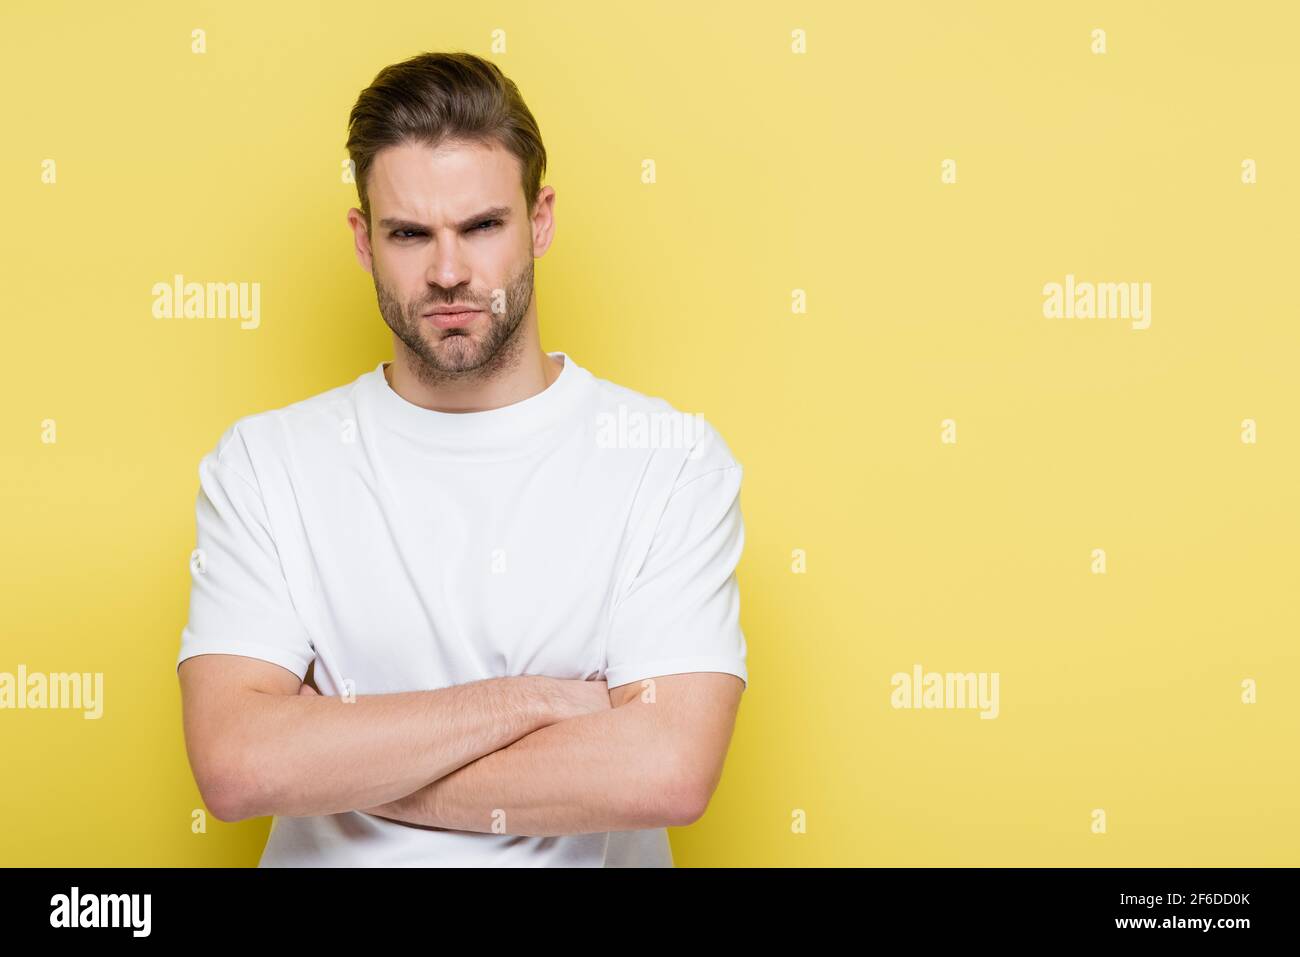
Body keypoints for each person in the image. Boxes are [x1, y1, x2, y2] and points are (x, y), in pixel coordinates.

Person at [175, 51, 748, 867]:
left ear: (539, 220)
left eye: (481, 226)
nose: (448, 273)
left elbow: (667, 771)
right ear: (364, 239)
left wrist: (332, 751)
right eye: (409, 233)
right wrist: (538, 704)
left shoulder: (669, 460)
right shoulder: (266, 464)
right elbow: (237, 766)